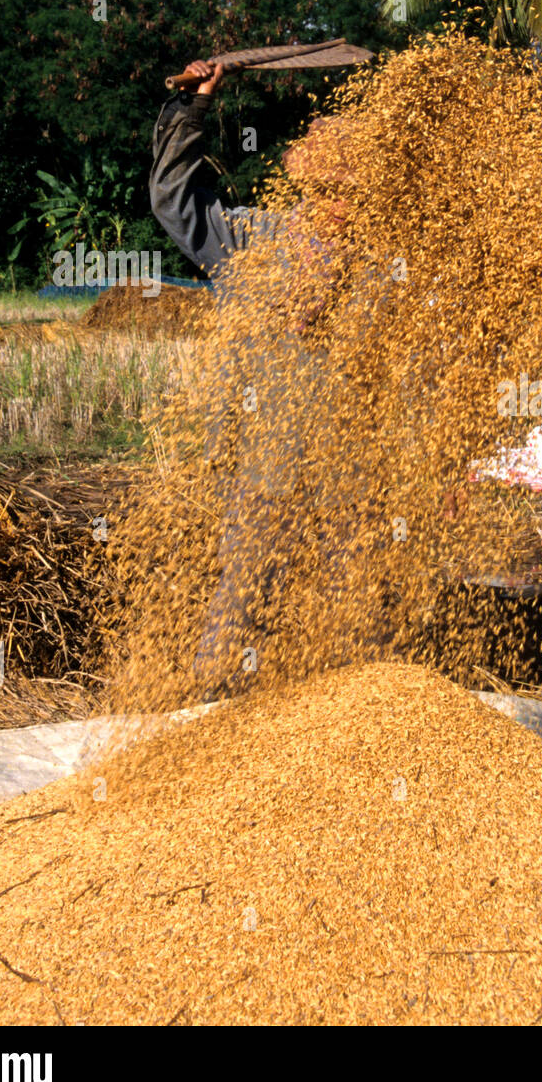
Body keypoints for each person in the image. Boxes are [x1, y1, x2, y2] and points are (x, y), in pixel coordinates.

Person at [150, 59, 352, 700]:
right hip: (268, 462)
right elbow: (175, 202)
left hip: (361, 473)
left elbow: (438, 366)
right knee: (242, 593)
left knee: (355, 617)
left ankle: (352, 723)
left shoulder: (391, 263)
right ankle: (213, 709)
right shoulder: (257, 241)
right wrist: (195, 108)